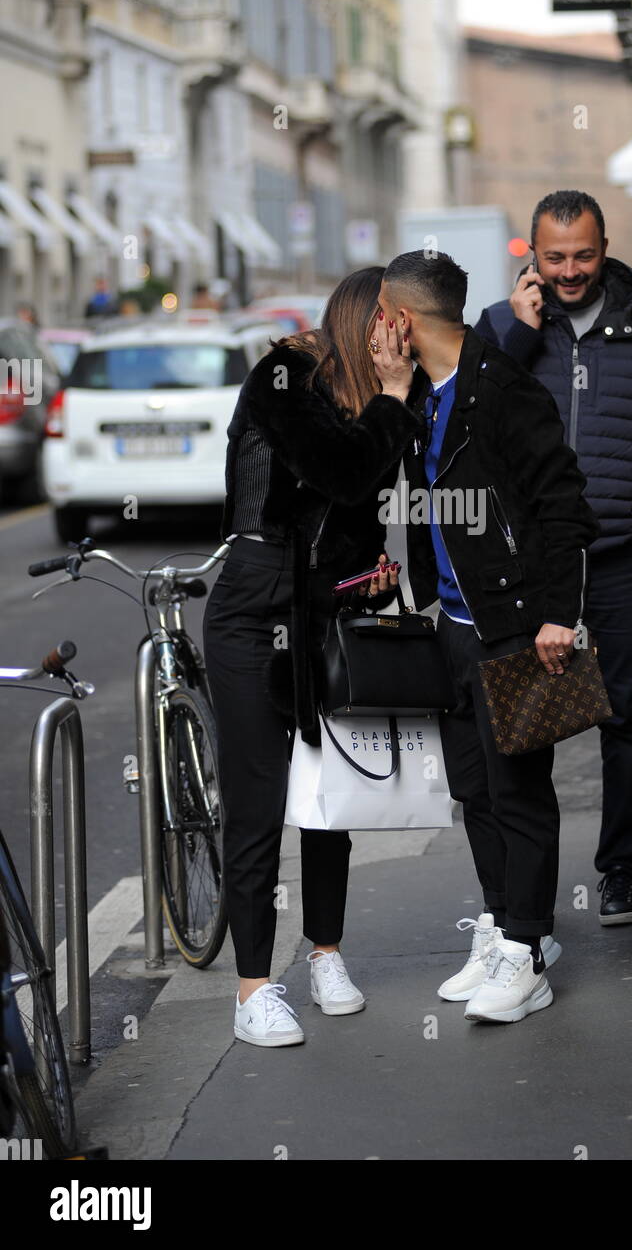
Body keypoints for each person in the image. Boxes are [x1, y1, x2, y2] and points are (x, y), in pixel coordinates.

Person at [475, 189, 632, 926]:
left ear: (604, 247)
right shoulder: (498, 327)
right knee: (529, 725)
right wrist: (519, 338)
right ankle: (527, 898)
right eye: (553, 257)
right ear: (530, 255)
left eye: (582, 255)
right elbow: (471, 418)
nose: (569, 270)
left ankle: (622, 869)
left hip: (615, 552)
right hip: (528, 562)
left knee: (622, 714)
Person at [380, 250, 600, 1024]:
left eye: (382, 316)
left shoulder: (500, 389)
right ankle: (507, 931)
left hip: (512, 623)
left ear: (403, 321)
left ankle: (528, 953)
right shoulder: (419, 397)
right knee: (475, 792)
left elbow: (562, 505)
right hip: (454, 624)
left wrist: (556, 615)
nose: (378, 331)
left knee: (519, 794)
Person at [203, 266, 421, 1047]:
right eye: (394, 321)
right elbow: (340, 470)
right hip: (253, 609)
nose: (405, 336)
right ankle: (254, 987)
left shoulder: (393, 391)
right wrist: (395, 400)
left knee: (331, 798)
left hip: (331, 609)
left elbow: (380, 504)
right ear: (364, 321)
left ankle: (326, 952)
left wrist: (374, 576)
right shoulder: (285, 374)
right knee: (258, 801)